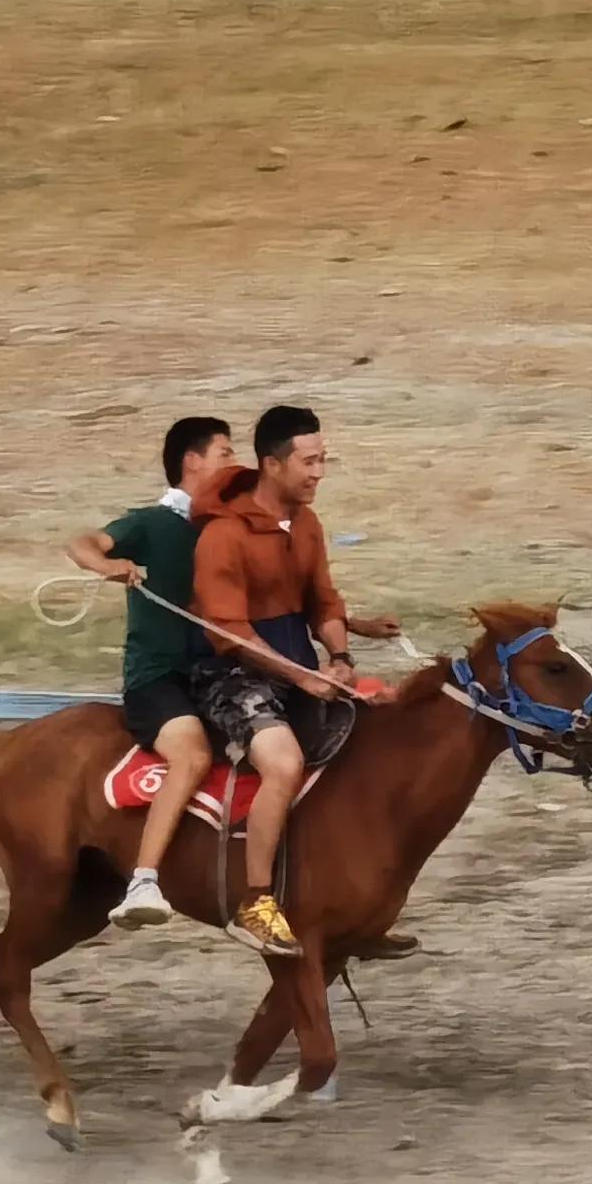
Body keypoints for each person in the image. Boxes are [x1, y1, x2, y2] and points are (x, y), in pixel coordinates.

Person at [187, 403, 401, 957]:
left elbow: (324, 603)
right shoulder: (223, 536)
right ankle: (255, 904)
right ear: (272, 464)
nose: (319, 473)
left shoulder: (307, 525)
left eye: (323, 460)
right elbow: (229, 634)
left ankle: (349, 906)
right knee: (283, 764)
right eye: (309, 462)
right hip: (230, 676)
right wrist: (303, 677)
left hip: (299, 671)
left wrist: (340, 656)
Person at [67, 416, 236, 931]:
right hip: (158, 679)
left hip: (214, 676)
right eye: (225, 453)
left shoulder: (221, 528)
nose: (234, 463)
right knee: (193, 755)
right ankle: (144, 880)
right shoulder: (151, 523)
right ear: (193, 461)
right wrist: (109, 566)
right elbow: (82, 543)